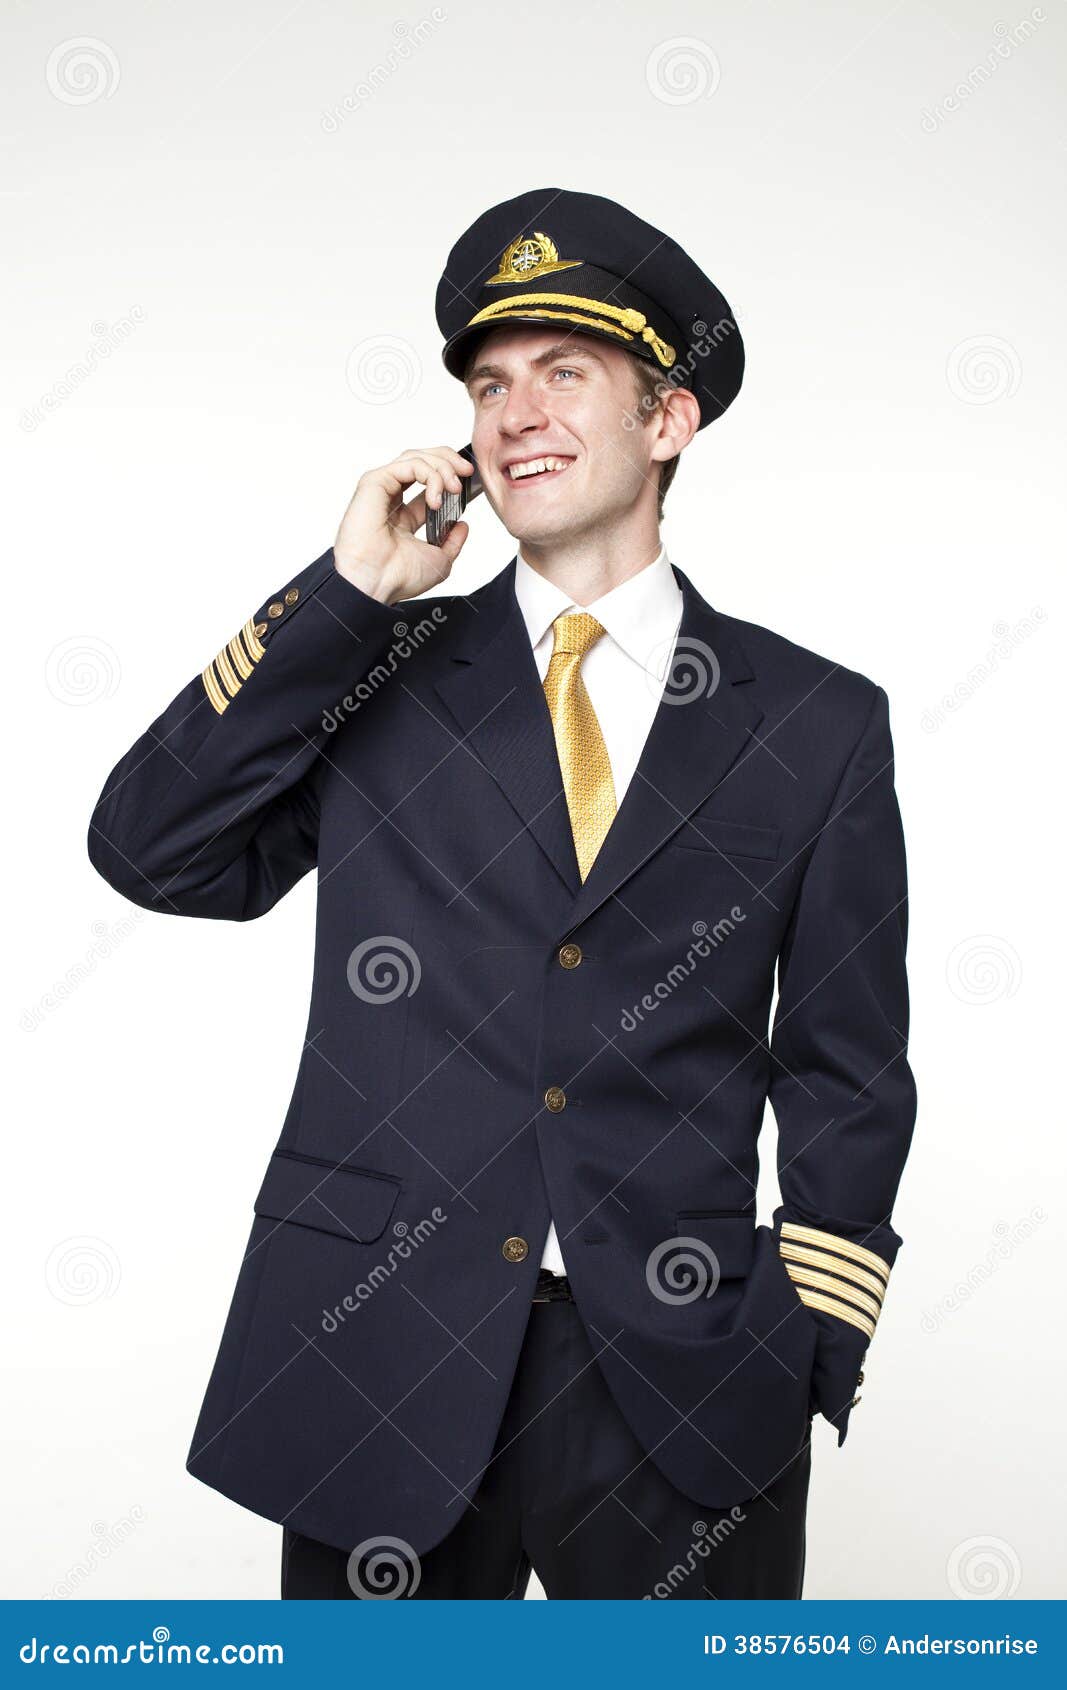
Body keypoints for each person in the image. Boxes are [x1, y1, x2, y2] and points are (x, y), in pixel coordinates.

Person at [87, 187, 917, 1600]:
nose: (514, 412)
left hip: (686, 1385)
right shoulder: (375, 671)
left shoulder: (819, 722)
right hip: (383, 1358)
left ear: (668, 421)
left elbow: (847, 1068)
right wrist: (346, 592)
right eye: (489, 383)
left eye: (565, 373)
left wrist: (798, 1345)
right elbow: (155, 847)